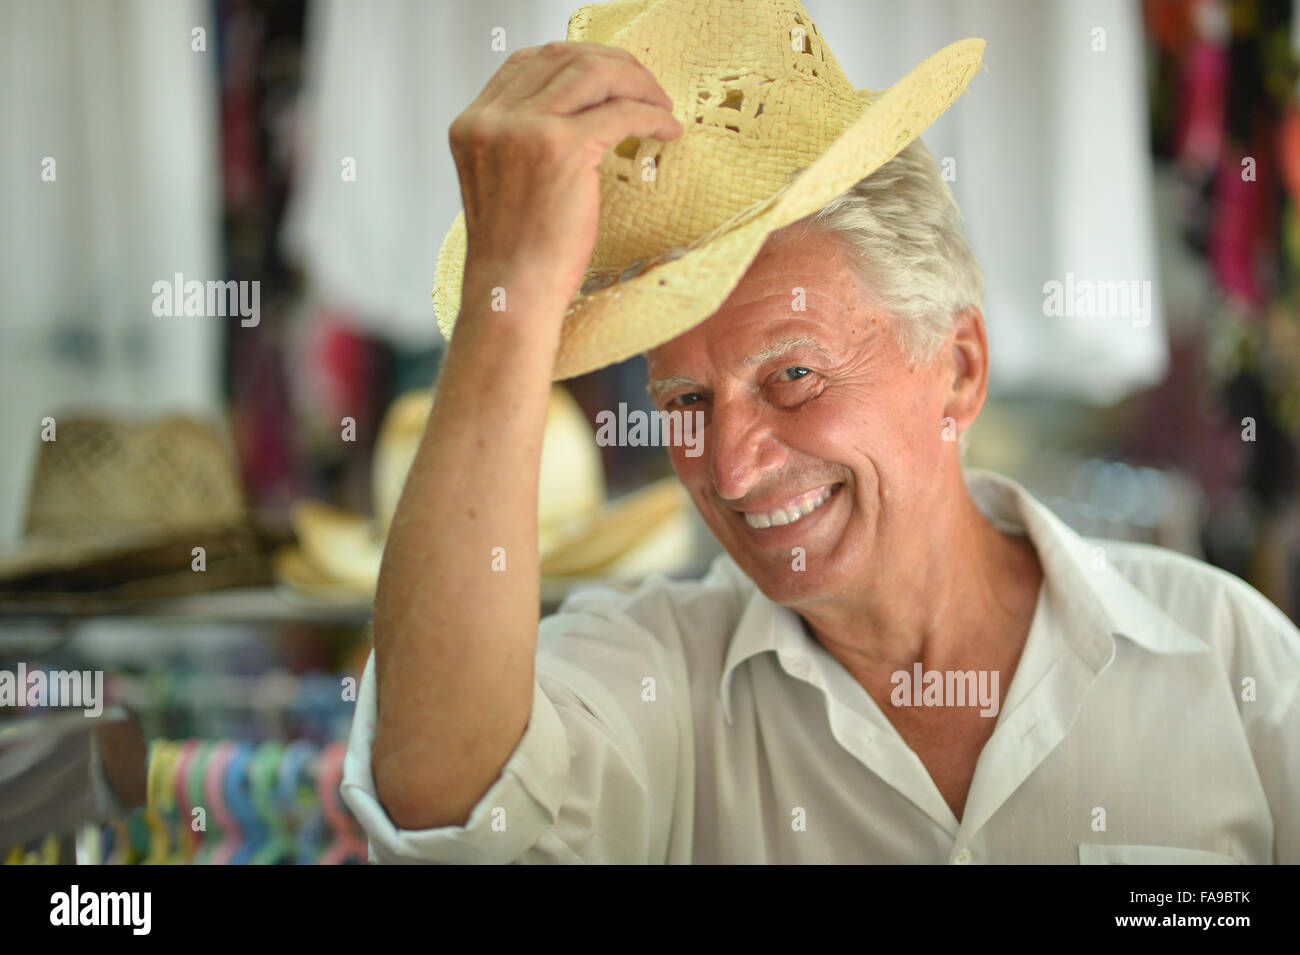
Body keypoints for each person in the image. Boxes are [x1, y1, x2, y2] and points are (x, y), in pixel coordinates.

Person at [340, 0, 1300, 864]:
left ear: (958, 369)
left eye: (793, 377)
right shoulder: (656, 679)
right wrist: (506, 299)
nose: (730, 464)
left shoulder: (1227, 661)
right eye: (685, 402)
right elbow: (446, 809)